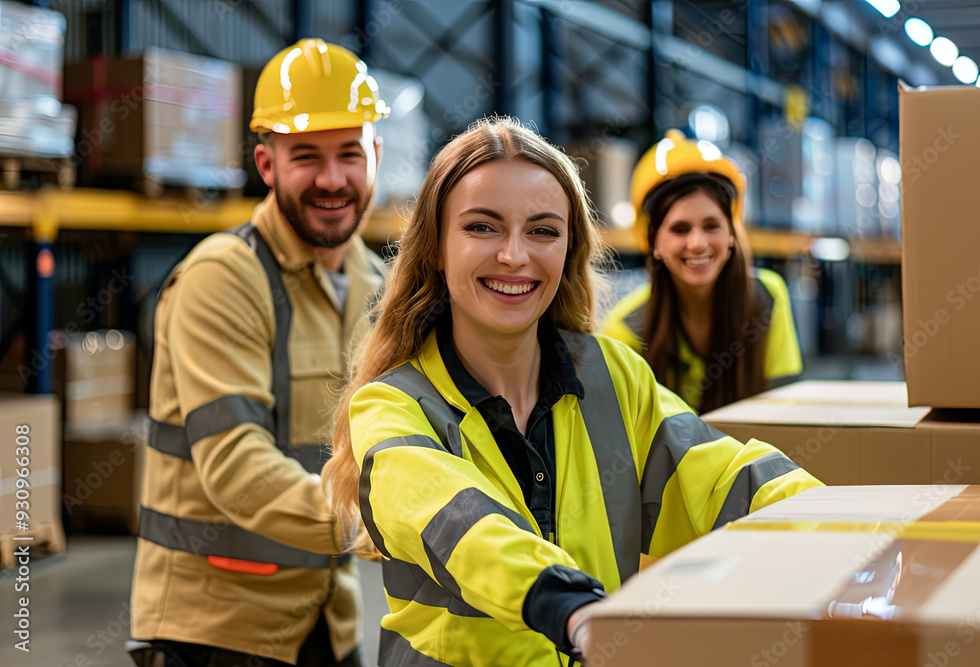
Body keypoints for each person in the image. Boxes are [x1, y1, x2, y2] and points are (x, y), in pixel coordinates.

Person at [322, 117, 821, 665]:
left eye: (542, 230)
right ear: (436, 248)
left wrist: (837, 515)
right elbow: (461, 525)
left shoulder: (614, 377)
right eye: (482, 227)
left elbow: (723, 475)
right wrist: (573, 608)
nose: (515, 255)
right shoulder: (394, 407)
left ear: (568, 249)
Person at [129, 39, 388, 667]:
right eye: (307, 157)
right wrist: (389, 524)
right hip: (215, 628)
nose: (332, 180)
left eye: (349, 154)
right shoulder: (223, 278)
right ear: (266, 165)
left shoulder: (379, 288)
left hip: (329, 619)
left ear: (375, 156)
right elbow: (236, 468)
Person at [602, 130, 802, 414]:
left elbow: (784, 414)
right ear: (654, 243)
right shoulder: (622, 332)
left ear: (732, 234)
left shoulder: (767, 296)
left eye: (711, 226)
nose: (697, 244)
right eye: (680, 229)